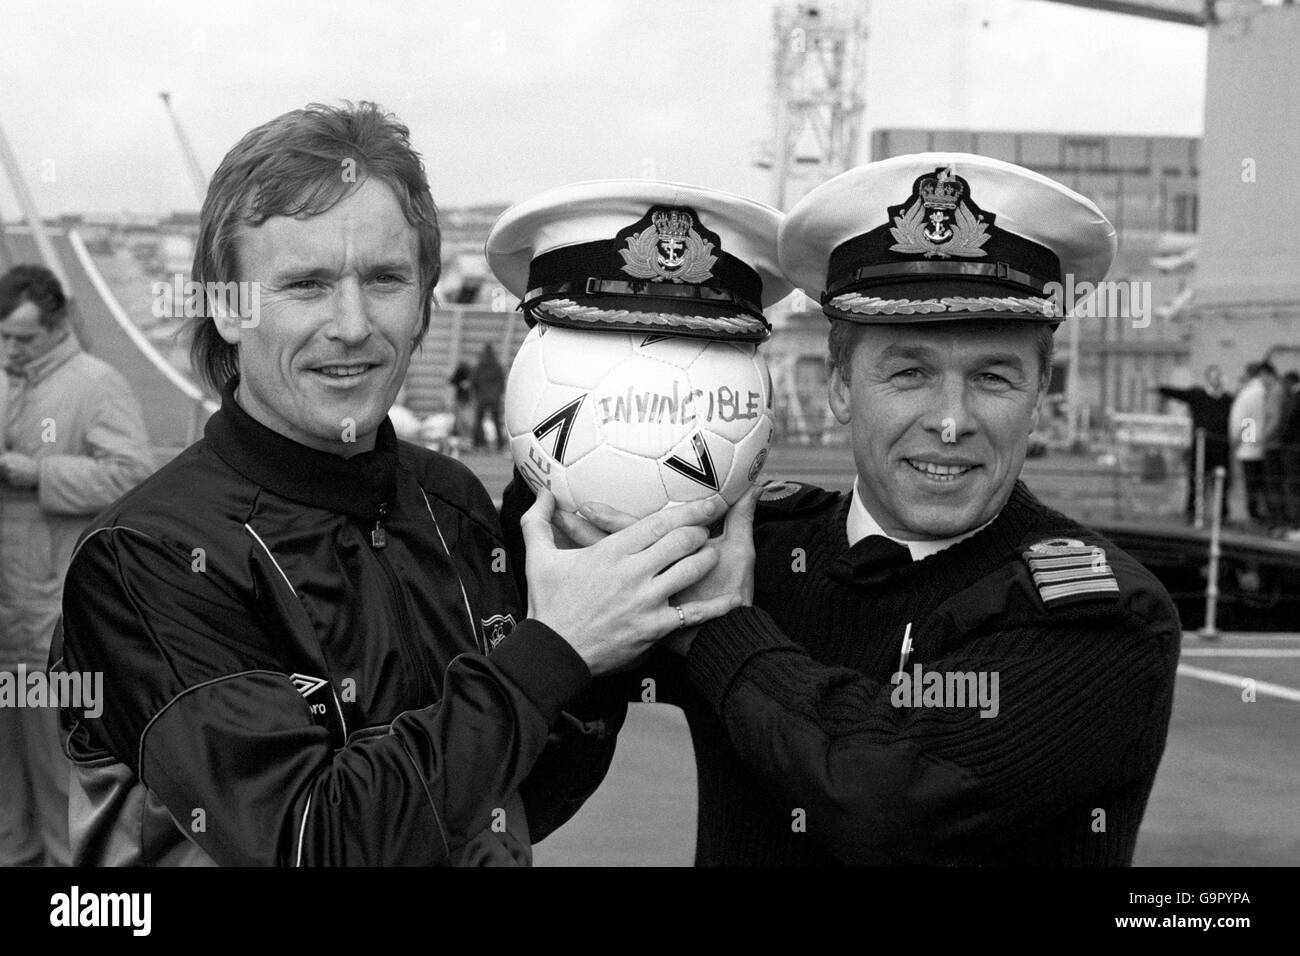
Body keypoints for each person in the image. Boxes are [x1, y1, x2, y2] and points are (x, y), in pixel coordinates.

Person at [50, 102, 732, 866]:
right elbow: (317, 844)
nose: (350, 324)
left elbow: (517, 801)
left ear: (424, 307)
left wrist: (603, 661)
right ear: (225, 309)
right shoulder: (145, 557)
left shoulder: (454, 503)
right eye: (306, 285)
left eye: (382, 280)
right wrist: (555, 648)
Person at [516, 155, 1184, 865]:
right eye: (909, 372)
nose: (951, 421)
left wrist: (723, 632)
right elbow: (528, 784)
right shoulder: (760, 553)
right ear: (839, 385)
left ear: (1039, 391)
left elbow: (883, 802)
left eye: (992, 376)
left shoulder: (1102, 615)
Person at [0, 264, 153, 866]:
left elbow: (134, 474)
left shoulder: (97, 383)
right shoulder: (6, 380)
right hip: (6, 610)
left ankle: (76, 883)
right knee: (5, 773)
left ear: (58, 325)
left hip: (52, 616)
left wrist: (42, 474)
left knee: (60, 766)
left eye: (24, 339)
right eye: (4, 337)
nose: (11, 349)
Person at [1154, 365, 1233, 522]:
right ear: (1208, 378)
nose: (1216, 379)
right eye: (1213, 376)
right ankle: (1192, 512)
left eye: (1218, 376)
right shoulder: (1197, 395)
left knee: (1222, 482)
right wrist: (1159, 389)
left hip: (1221, 447)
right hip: (1200, 446)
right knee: (1196, 480)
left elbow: (1242, 419)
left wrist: (1246, 440)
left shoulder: (1228, 399)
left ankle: (1222, 514)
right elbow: (1177, 393)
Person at [1229, 361, 1275, 526]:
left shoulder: (1249, 394)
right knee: (1263, 485)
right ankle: (1265, 515)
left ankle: (1254, 516)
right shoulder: (1264, 392)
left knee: (1251, 485)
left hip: (1249, 447)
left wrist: (1239, 441)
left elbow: (1244, 420)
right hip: (1262, 445)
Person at [471, 343, 505, 451]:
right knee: (496, 421)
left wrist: (476, 393)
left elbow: (474, 380)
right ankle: (500, 444)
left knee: (479, 421)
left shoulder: (480, 365)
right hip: (494, 397)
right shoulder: (497, 366)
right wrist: (498, 393)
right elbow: (501, 382)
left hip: (482, 396)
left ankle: (479, 443)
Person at [449, 358, 474, 443]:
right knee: (464, 418)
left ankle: (459, 433)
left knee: (459, 418)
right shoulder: (470, 373)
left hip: (460, 398)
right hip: (466, 399)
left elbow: (452, 381)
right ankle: (463, 434)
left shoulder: (459, 372)